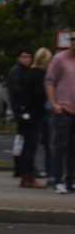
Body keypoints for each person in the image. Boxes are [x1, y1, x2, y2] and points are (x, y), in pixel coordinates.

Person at [44, 43, 75, 194]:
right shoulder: (59, 59)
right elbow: (49, 81)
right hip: (63, 108)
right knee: (61, 145)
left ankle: (71, 181)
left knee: (73, 148)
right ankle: (58, 181)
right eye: (73, 39)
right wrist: (53, 103)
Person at [19, 48, 49, 188]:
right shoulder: (39, 75)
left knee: (27, 146)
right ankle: (29, 177)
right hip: (35, 115)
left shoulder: (29, 74)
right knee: (31, 146)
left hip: (27, 114)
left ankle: (25, 176)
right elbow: (39, 96)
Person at [7, 48, 33, 178]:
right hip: (22, 109)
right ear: (18, 58)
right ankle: (20, 167)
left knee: (23, 137)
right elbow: (17, 90)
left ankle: (22, 166)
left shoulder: (23, 71)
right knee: (22, 137)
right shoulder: (17, 72)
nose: (27, 59)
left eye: (29, 57)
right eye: (24, 57)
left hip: (22, 108)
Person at [33, 48, 55, 186]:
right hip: (49, 112)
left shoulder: (33, 73)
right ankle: (53, 175)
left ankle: (51, 175)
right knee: (52, 146)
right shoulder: (45, 75)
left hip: (44, 113)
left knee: (49, 146)